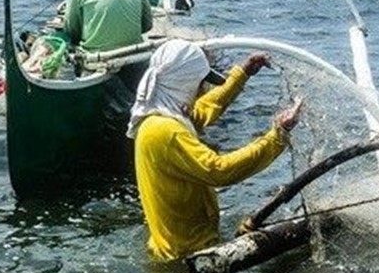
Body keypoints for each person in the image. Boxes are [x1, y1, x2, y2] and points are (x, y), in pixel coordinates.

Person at [127, 40, 304, 261]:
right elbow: (218, 170)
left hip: (179, 249)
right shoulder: (165, 131)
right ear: (184, 83)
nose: (202, 90)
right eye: (200, 83)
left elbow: (202, 110)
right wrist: (277, 136)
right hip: (185, 257)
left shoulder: (160, 116)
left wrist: (242, 74)